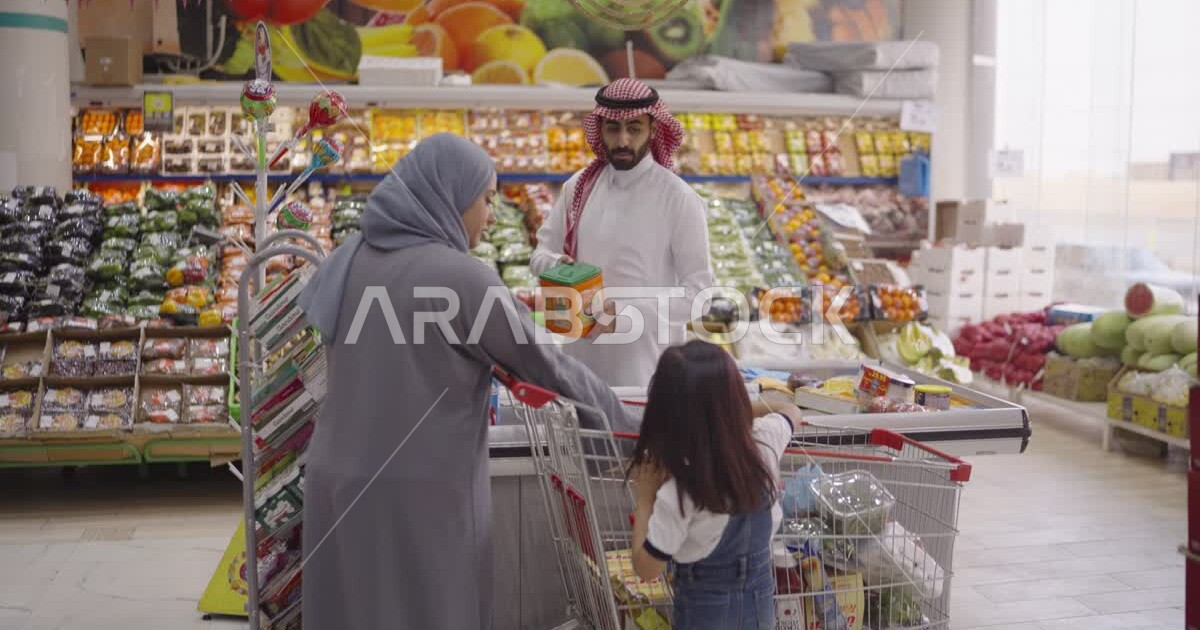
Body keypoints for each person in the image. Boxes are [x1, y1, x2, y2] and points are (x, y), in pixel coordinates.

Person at [297, 134, 628, 630]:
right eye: (487, 199)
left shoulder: (350, 257)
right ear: (449, 196)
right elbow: (548, 367)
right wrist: (633, 430)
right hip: (417, 492)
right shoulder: (461, 277)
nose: (491, 215)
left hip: (336, 478)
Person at [530, 78, 715, 387]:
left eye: (634, 128)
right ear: (600, 129)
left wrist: (627, 313)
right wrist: (558, 269)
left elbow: (700, 295)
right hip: (581, 369)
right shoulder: (579, 187)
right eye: (613, 129)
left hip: (648, 377)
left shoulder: (678, 198)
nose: (622, 141)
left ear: (654, 129)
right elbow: (540, 256)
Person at [626, 341, 801, 629]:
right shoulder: (766, 443)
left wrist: (644, 499)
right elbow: (790, 410)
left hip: (704, 614)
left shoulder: (683, 492)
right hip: (760, 609)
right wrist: (736, 410)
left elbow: (646, 567)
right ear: (735, 399)